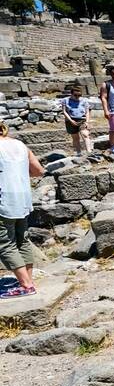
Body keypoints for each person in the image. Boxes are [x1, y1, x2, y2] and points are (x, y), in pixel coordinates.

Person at [0, 122, 46, 299]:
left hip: (3, 200)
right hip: (22, 199)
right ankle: (28, 280)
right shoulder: (20, 144)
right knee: (22, 240)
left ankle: (26, 286)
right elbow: (38, 171)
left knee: (5, 244)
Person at [61, 84, 92, 156]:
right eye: (75, 95)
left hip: (82, 119)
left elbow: (87, 111)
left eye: (79, 95)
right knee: (75, 138)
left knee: (85, 134)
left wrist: (87, 122)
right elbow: (64, 111)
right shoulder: (65, 100)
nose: (77, 97)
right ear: (71, 94)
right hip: (70, 120)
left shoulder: (84, 101)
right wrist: (71, 120)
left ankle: (89, 151)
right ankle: (78, 153)